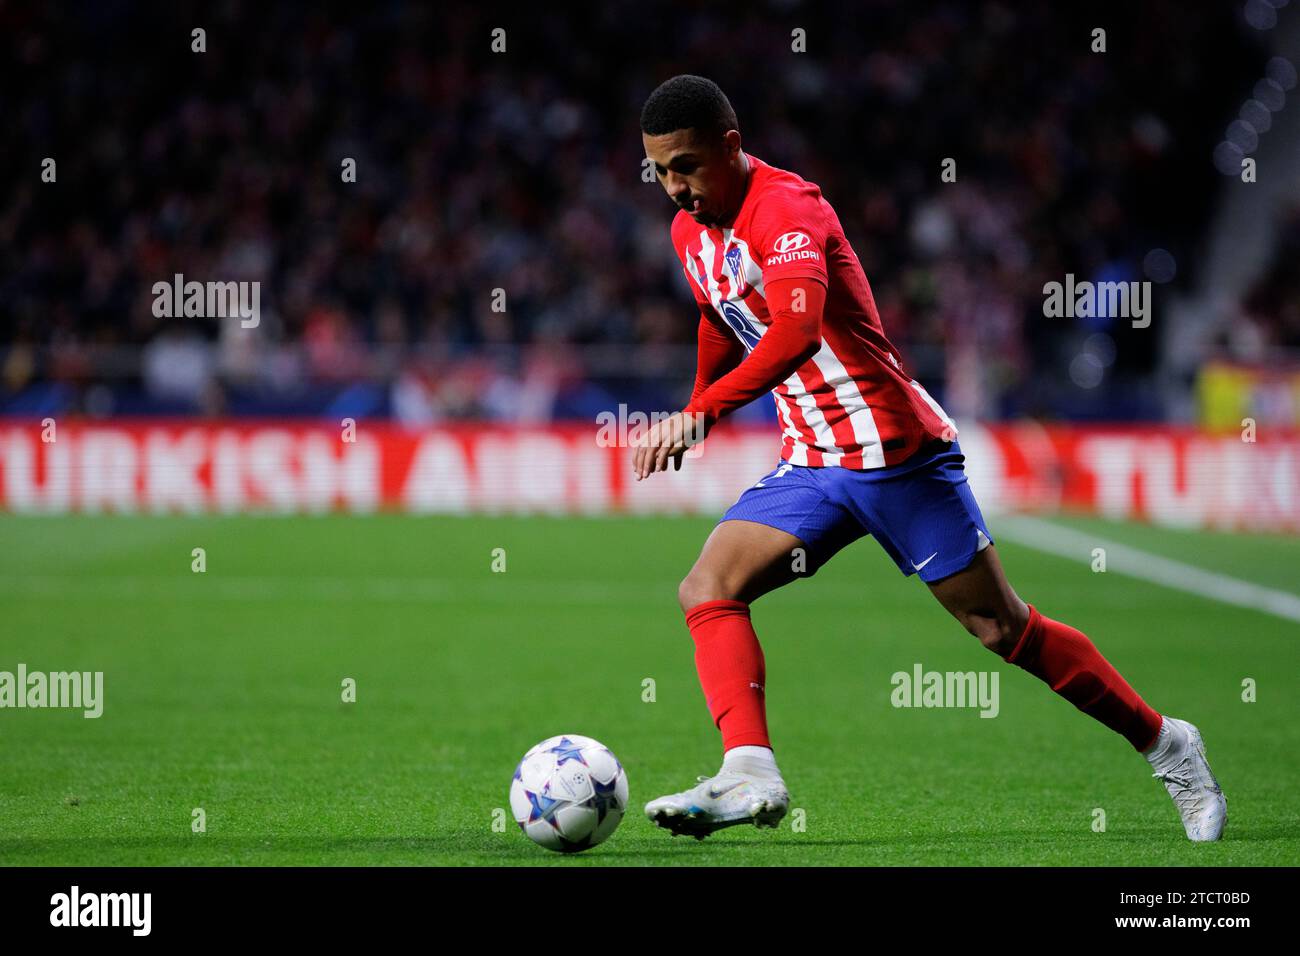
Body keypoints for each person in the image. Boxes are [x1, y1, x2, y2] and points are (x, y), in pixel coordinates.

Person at [631, 74, 1225, 842]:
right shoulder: (691, 231)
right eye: (660, 172)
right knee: (708, 586)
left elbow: (795, 333)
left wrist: (698, 414)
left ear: (732, 146)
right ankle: (748, 769)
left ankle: (1168, 744)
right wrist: (699, 402)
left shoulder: (786, 209)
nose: (674, 187)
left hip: (894, 451)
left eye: (686, 166)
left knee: (1000, 628)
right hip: (814, 459)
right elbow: (720, 315)